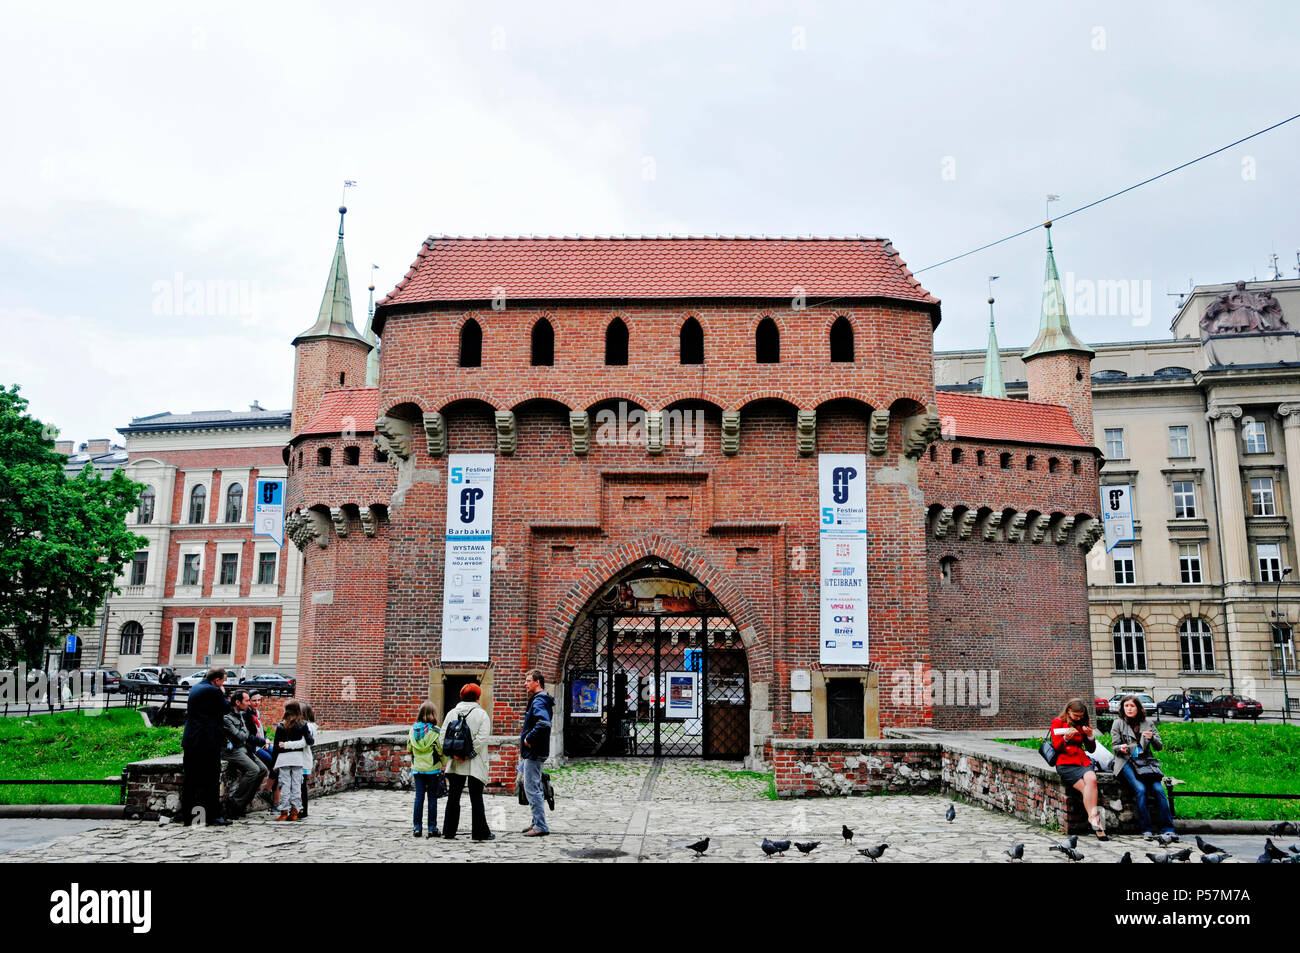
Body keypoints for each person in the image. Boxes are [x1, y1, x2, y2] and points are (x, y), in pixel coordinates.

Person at [1111, 694, 1176, 840]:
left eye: (1132, 706)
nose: (1129, 708)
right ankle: (1146, 829)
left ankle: (1168, 828)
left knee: (1159, 790)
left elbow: (1159, 747)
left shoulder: (1147, 723)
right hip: (1126, 761)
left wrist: (1151, 738)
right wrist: (1121, 747)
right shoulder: (1118, 723)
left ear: (1138, 708)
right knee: (1140, 789)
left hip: (1145, 763)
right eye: (1126, 706)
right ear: (1122, 708)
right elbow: (1114, 746)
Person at [442, 683, 493, 841]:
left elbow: (442, 736)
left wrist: (454, 754)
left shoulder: (451, 713)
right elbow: (482, 738)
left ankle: (449, 831)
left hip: (455, 762)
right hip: (475, 762)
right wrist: (469, 754)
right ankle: (479, 832)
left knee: (453, 797)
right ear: (478, 697)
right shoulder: (482, 715)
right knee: (476, 798)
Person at [180, 667, 231, 827]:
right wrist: (222, 692)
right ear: (216, 680)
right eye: (223, 681)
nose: (224, 684)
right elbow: (226, 708)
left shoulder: (196, 688)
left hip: (191, 739)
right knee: (209, 779)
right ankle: (211, 816)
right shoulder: (213, 691)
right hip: (207, 742)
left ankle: (189, 817)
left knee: (191, 779)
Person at [1050, 697, 1106, 840]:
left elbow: (1091, 749)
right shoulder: (1058, 722)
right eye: (1076, 716)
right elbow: (1057, 747)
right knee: (1085, 788)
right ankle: (1096, 822)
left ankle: (1093, 819)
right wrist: (1066, 739)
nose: (1079, 718)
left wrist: (1090, 737)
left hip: (1082, 760)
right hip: (1066, 763)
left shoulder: (1083, 723)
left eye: (1081, 716)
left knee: (1092, 779)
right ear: (1068, 711)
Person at [221, 689, 268, 818]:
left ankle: (243, 802)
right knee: (253, 770)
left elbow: (246, 734)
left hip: (244, 748)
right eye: (247, 700)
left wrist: (244, 735)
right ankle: (235, 803)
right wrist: (244, 735)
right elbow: (240, 736)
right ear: (237, 702)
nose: (249, 703)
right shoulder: (227, 718)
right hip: (232, 751)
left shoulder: (242, 714)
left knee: (263, 769)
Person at [519, 669, 554, 837]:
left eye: (527, 681)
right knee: (533, 785)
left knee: (531, 788)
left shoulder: (539, 701)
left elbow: (544, 723)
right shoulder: (540, 699)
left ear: (537, 682)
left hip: (534, 751)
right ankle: (536, 821)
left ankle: (540, 825)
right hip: (533, 751)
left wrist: (529, 738)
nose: (525, 684)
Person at [271, 700, 314, 821]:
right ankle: (294, 811)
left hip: (284, 758)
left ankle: (284, 812)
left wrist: (274, 763)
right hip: (297, 758)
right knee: (296, 785)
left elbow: (276, 747)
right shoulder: (303, 724)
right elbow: (310, 741)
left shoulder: (281, 725)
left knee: (284, 785)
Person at [407, 701, 444, 838]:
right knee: (432, 798)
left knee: (419, 798)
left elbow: (409, 749)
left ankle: (417, 828)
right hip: (432, 769)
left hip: (417, 768)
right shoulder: (436, 732)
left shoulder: (412, 730)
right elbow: (440, 751)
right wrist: (442, 762)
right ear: (433, 714)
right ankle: (432, 828)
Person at [300, 703, 318, 819]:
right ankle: (303, 810)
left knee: (301, 786)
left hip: (302, 759)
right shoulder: (312, 726)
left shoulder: (306, 726)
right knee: (302, 786)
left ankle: (302, 810)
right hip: (306, 759)